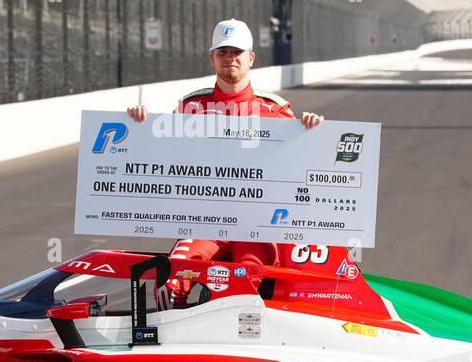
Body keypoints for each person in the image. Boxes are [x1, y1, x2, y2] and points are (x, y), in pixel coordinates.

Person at [126, 19, 325, 299]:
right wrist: (141, 128)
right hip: (204, 221)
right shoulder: (190, 106)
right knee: (172, 280)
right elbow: (159, 156)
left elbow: (300, 167)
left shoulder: (275, 110)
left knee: (240, 286)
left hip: (256, 225)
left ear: (251, 58)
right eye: (223, 52)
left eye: (236, 52)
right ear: (212, 58)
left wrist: (312, 134)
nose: (229, 58)